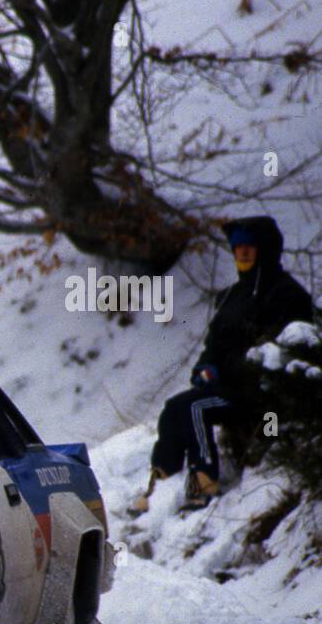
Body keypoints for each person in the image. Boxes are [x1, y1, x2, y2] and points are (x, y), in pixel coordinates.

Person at [130, 216, 315, 514]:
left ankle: (204, 486)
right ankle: (161, 483)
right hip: (229, 388)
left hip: (265, 399)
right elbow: (213, 346)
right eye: (237, 247)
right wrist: (204, 369)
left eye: (249, 248)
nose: (241, 253)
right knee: (173, 408)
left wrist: (225, 373)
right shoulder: (231, 295)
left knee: (195, 408)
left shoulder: (286, 294)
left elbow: (277, 354)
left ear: (265, 250)